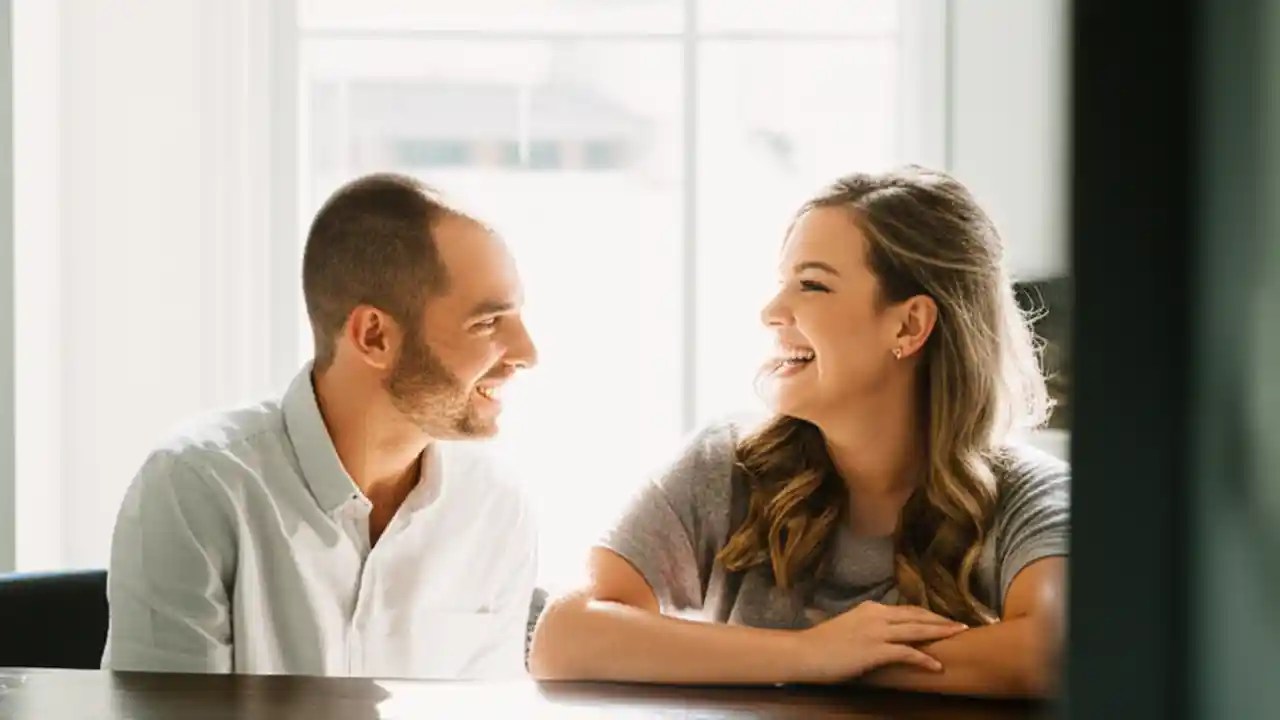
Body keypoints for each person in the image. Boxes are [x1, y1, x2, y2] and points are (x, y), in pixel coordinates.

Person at [529, 166, 1069, 698]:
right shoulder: (725, 465)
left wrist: (846, 663)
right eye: (782, 282)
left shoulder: (1028, 495)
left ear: (908, 325)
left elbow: (1052, 653)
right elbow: (566, 637)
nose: (771, 311)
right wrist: (810, 655)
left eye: (811, 285)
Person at [103, 173, 539, 679]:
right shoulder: (196, 487)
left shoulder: (495, 507)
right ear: (374, 336)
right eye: (487, 323)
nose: (528, 353)